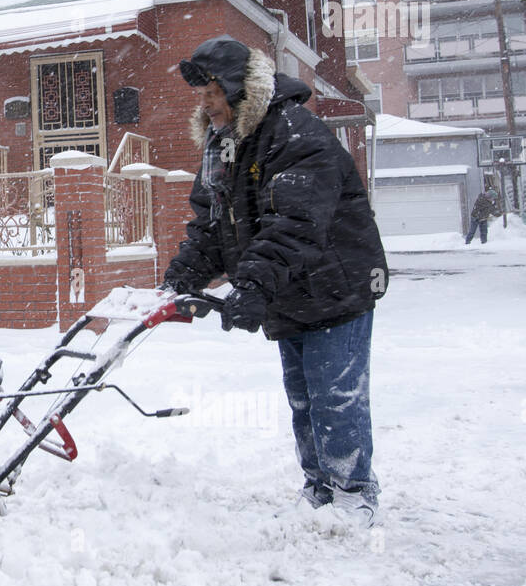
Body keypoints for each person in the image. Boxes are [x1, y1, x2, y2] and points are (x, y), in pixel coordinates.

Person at [162, 35, 388, 527]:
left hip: (334, 284)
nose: (205, 104)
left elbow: (295, 224)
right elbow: (212, 223)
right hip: (289, 289)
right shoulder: (224, 147)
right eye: (202, 96)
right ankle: (320, 490)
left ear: (241, 92)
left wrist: (254, 287)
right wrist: (183, 275)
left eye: (213, 94)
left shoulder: (295, 134)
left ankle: (354, 493)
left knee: (334, 395)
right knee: (304, 398)